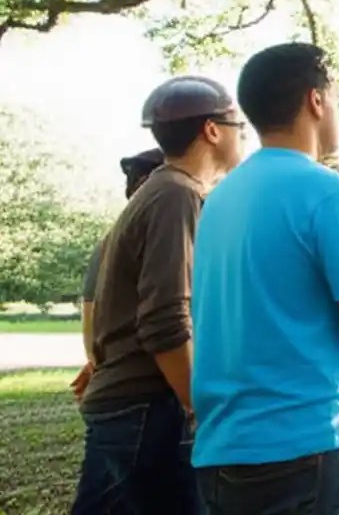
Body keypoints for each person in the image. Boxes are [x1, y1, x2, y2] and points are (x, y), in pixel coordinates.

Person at [190, 43, 339, 514]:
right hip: (304, 443)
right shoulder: (329, 193)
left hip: (220, 448)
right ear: (315, 101)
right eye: (336, 100)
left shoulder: (217, 200)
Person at [72, 75, 244, 514]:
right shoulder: (175, 194)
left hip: (132, 407)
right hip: (147, 407)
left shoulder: (164, 191)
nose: (243, 135)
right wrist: (200, 408)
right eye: (238, 126)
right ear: (212, 130)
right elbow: (165, 319)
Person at [72, 148, 165, 401]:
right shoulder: (153, 239)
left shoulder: (112, 240)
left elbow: (91, 321)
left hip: (116, 382)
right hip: (147, 389)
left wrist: (99, 366)